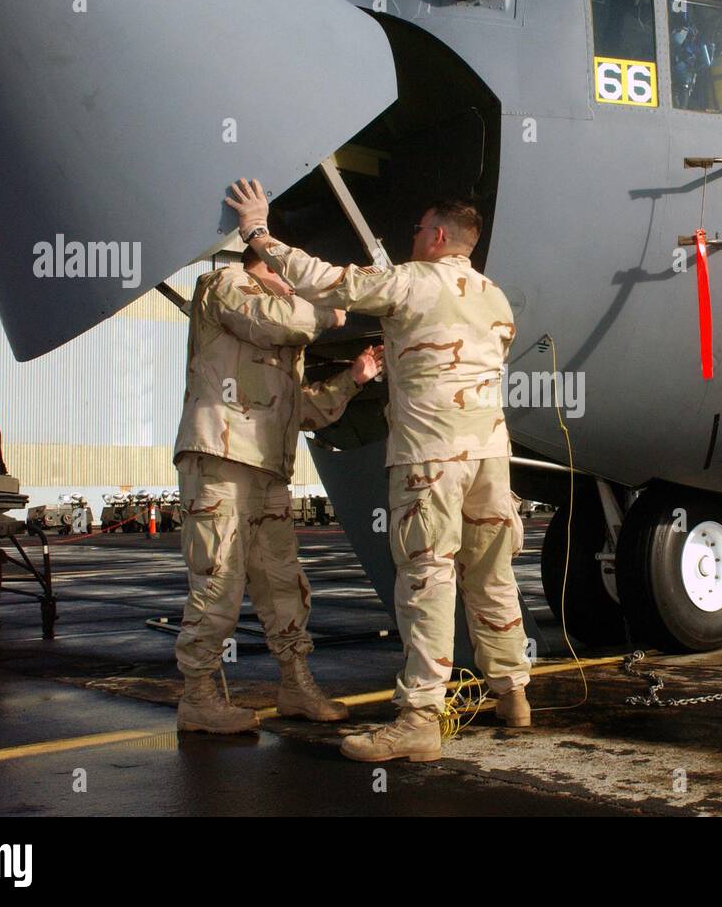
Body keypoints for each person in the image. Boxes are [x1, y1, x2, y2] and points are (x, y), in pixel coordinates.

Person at [224, 179, 532, 762]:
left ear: (439, 235)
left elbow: (326, 280)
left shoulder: (412, 281)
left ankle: (419, 718)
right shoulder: (496, 298)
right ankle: (513, 692)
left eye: (418, 229)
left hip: (430, 457)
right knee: (491, 575)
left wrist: (258, 233)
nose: (412, 237)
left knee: (426, 580)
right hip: (490, 458)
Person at [173, 235, 383, 734]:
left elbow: (300, 411)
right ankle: (198, 696)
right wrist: (328, 313)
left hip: (267, 469)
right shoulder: (223, 285)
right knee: (219, 577)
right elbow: (272, 320)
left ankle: (295, 683)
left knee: (283, 582)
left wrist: (355, 377)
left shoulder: (286, 340)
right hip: (220, 459)